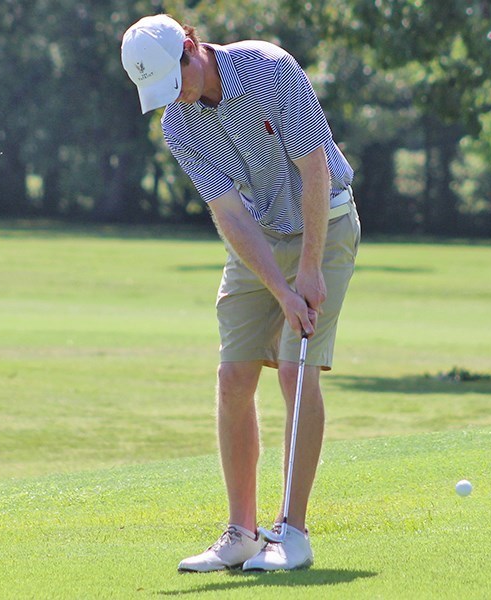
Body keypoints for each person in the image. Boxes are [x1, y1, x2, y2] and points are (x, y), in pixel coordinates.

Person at [120, 14, 360, 572]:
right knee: (233, 379)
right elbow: (229, 212)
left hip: (323, 226)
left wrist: (307, 271)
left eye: (174, 83)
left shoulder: (270, 70)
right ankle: (242, 532)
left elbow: (316, 172)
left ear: (190, 47)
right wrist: (279, 289)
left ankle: (293, 534)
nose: (172, 99)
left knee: (294, 370)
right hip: (255, 241)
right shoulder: (177, 125)